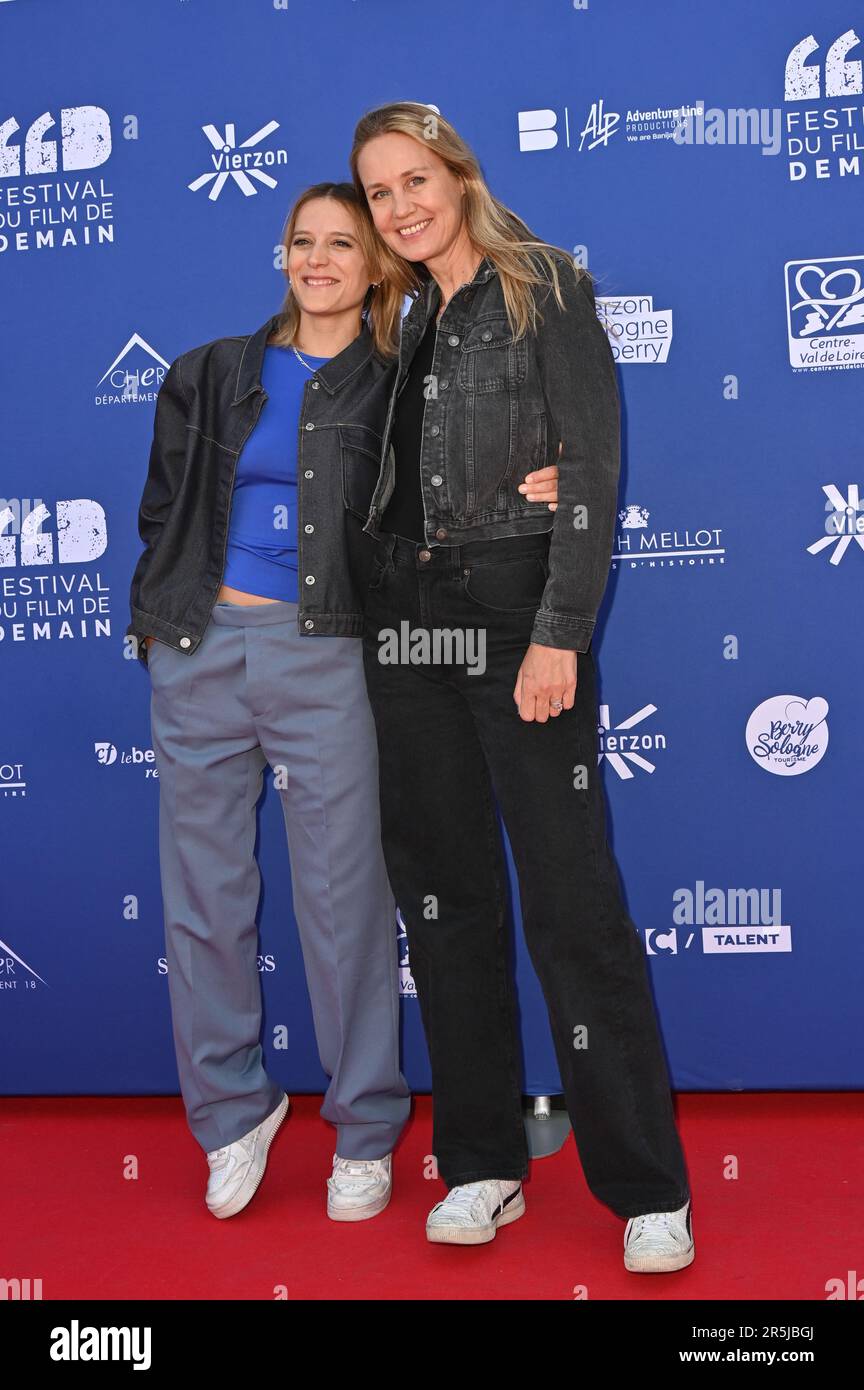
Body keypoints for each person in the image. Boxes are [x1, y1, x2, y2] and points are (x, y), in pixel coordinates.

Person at [126, 181, 560, 1223]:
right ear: (283, 256)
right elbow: (163, 509)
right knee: (204, 906)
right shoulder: (209, 371)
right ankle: (232, 1114)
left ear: (378, 267)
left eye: (343, 244)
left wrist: (543, 482)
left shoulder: (393, 384)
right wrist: (160, 619)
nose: (318, 259)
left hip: (327, 659)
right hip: (196, 653)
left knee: (345, 904)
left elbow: (442, 500)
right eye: (302, 242)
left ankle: (364, 1126)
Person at [350, 103, 695, 1272]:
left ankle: (648, 1186)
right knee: (445, 902)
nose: (398, 207)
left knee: (571, 900)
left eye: (413, 181)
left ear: (458, 173)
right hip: (410, 629)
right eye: (378, 193)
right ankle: (484, 1162)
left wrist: (560, 630)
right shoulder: (397, 316)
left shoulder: (545, 281)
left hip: (514, 618)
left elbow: (590, 463)